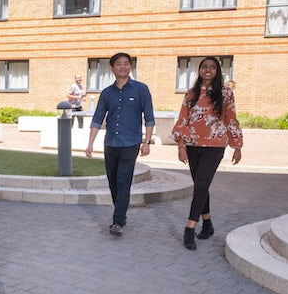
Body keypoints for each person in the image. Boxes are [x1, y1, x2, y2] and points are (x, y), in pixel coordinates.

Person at [170, 57, 243, 250]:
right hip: (193, 145)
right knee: (201, 185)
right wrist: (181, 145)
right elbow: (183, 119)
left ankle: (189, 227)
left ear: (217, 71)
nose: (208, 70)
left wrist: (237, 145)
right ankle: (208, 223)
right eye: (204, 67)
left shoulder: (225, 93)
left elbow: (231, 119)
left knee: (201, 185)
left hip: (215, 146)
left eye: (212, 67)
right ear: (200, 70)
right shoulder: (191, 93)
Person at [85, 52, 155, 236]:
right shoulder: (107, 93)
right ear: (112, 68)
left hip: (131, 143)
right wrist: (90, 143)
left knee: (123, 181)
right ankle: (121, 213)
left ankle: (118, 222)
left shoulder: (141, 89)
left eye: (126, 63)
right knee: (113, 182)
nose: (123, 67)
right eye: (118, 64)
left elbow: (149, 118)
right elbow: (98, 118)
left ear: (130, 67)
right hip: (111, 143)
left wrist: (147, 142)